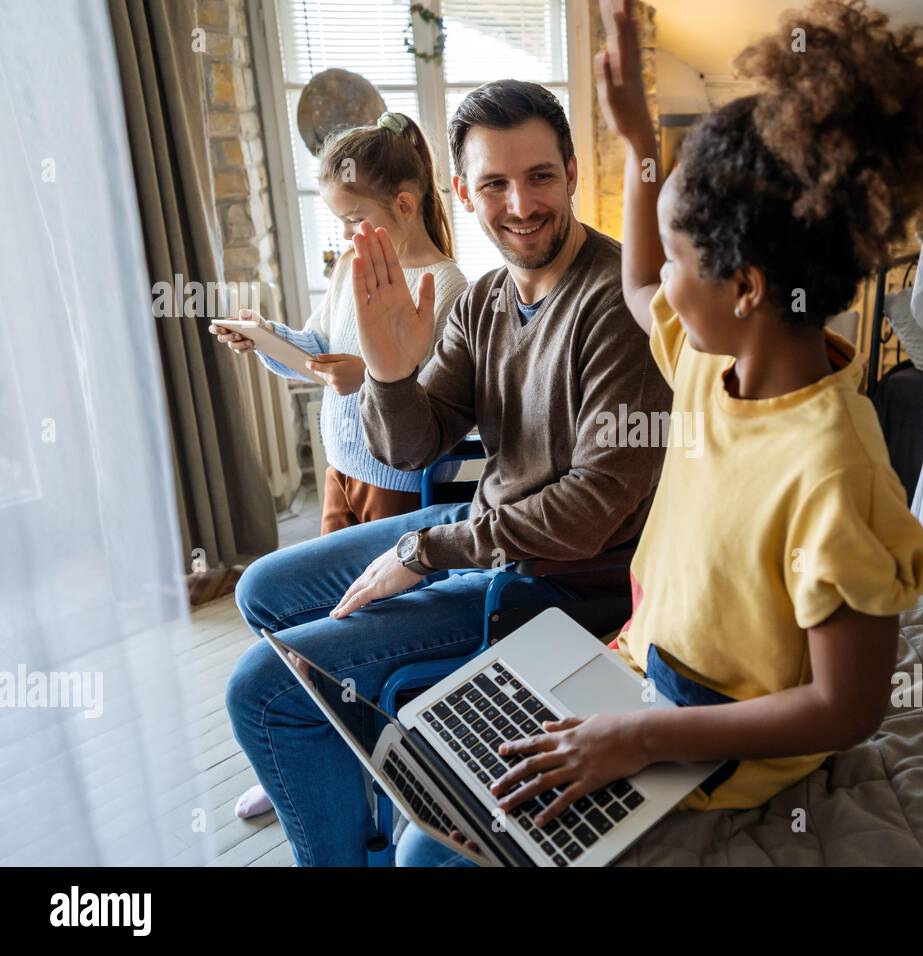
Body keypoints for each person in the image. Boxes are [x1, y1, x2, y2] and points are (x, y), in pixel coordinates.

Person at [396, 0, 923, 867]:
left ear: (745, 288)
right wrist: (638, 141)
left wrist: (640, 742)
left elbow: (849, 708)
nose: (658, 285)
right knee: (438, 796)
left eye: (680, 262)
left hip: (712, 749)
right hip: (636, 675)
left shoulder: (834, 476)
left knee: (431, 854)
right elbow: (641, 282)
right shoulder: (719, 364)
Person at [225, 80, 671, 865]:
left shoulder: (615, 305)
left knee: (261, 689)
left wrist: (424, 554)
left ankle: (348, 805)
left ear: (570, 171)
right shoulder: (485, 301)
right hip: (486, 531)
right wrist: (390, 373)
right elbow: (412, 449)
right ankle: (360, 772)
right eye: (495, 183)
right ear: (462, 191)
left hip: (565, 577)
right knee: (262, 589)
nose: (521, 204)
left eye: (539, 176)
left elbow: (592, 510)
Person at [211, 111, 466, 537]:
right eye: (339, 221)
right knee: (337, 596)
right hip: (339, 468)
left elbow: (441, 403)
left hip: (398, 483)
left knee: (385, 597)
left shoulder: (445, 285)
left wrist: (368, 379)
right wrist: (264, 337)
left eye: (353, 218)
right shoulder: (349, 266)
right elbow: (317, 351)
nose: (346, 235)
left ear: (404, 205)